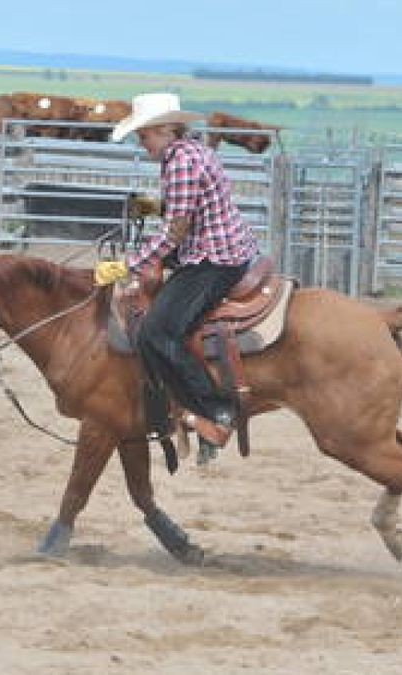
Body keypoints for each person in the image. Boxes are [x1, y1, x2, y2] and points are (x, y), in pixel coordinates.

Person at [94, 92, 261, 452]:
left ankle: (216, 410)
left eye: (146, 134)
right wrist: (147, 206)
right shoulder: (189, 152)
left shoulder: (181, 161)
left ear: (167, 129)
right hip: (218, 247)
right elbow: (183, 207)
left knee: (157, 332)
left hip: (215, 258)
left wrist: (126, 265)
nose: (142, 141)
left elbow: (175, 232)